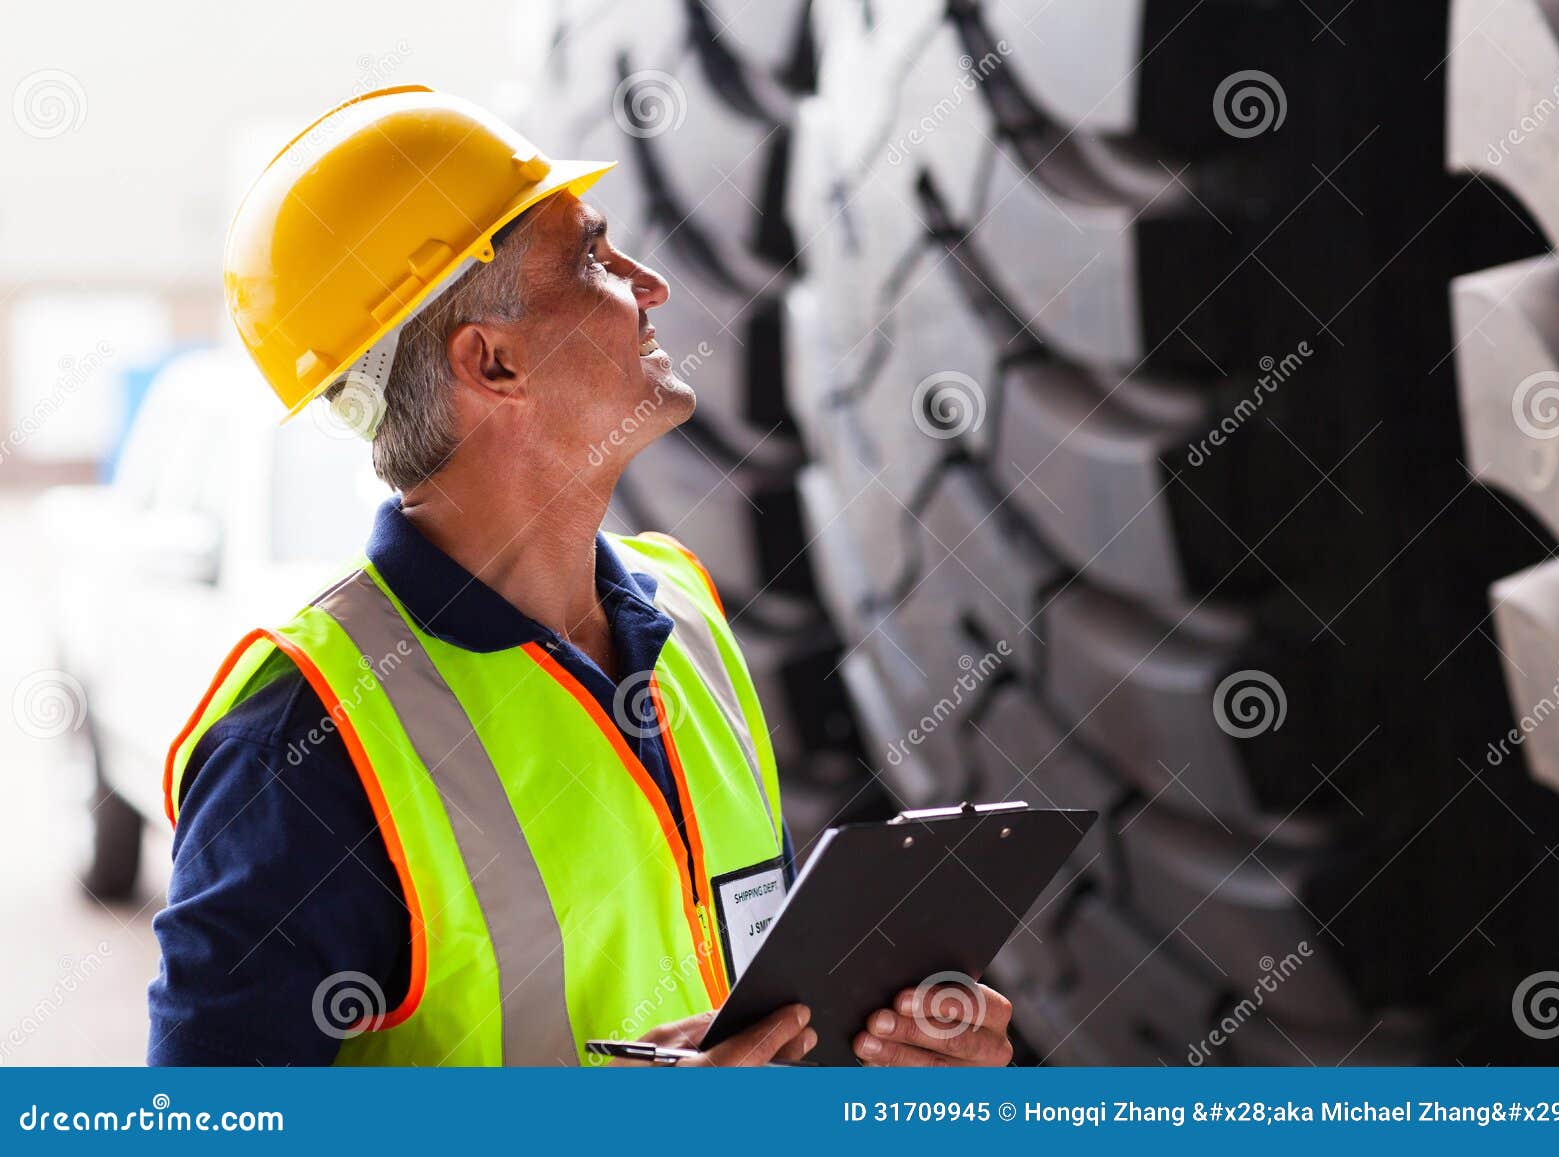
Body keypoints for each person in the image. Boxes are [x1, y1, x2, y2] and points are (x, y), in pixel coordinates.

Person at [147, 85, 1013, 1068]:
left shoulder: (682, 612)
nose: (650, 283)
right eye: (593, 257)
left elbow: (730, 1024)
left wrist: (870, 1069)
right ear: (494, 362)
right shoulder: (302, 744)